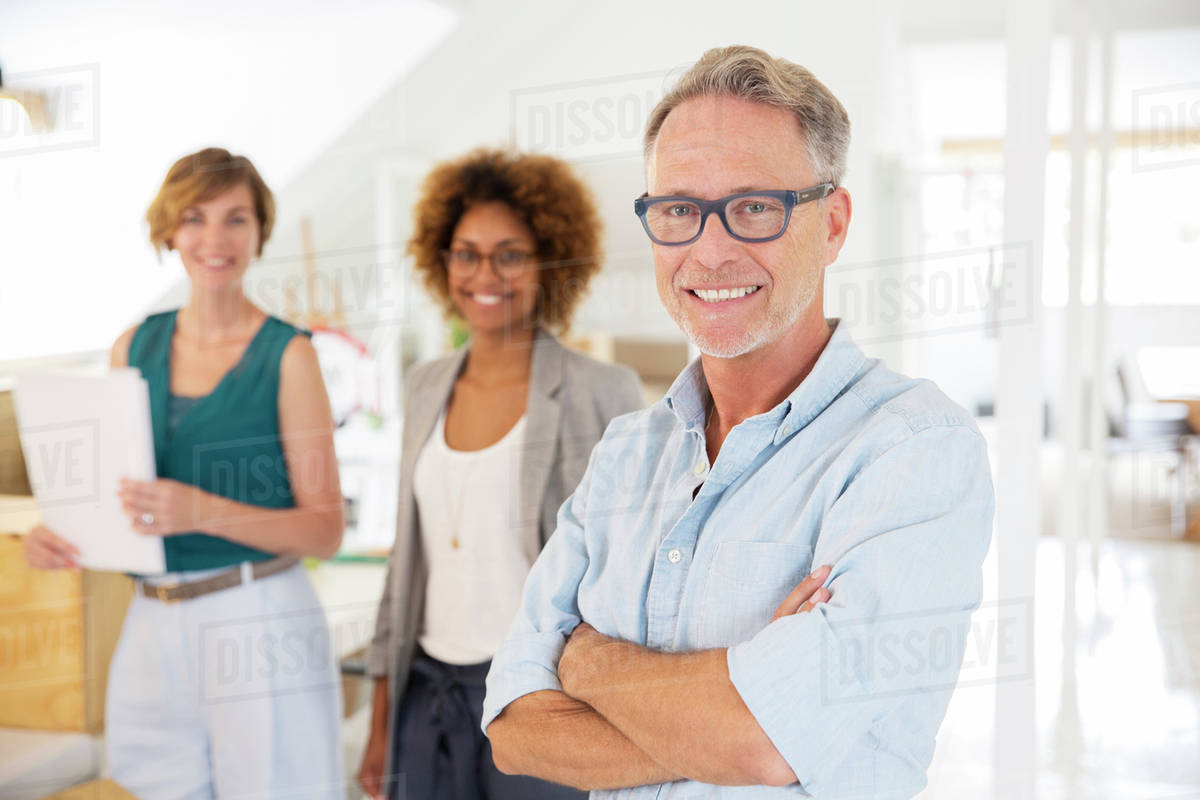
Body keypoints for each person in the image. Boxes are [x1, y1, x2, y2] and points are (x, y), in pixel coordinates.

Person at [482, 45, 995, 799]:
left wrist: (587, 661)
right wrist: (727, 710)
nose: (711, 250)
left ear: (833, 224)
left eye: (755, 206)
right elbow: (515, 732)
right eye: (678, 210)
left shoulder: (915, 452)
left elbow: (762, 741)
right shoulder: (627, 453)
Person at [23, 147, 345, 800]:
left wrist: (200, 511)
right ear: (169, 230)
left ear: (259, 232)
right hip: (151, 620)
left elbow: (325, 531)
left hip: (257, 617)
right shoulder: (133, 345)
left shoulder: (288, 356)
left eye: (235, 219)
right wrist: (58, 534)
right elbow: (119, 495)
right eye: (195, 218)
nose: (214, 239)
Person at [357, 149, 643, 800]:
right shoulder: (424, 386)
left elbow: (631, 570)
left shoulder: (601, 391)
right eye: (467, 253)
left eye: (510, 255)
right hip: (427, 697)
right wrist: (380, 724)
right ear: (443, 261)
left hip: (541, 694)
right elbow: (405, 565)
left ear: (549, 263)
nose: (485, 275)